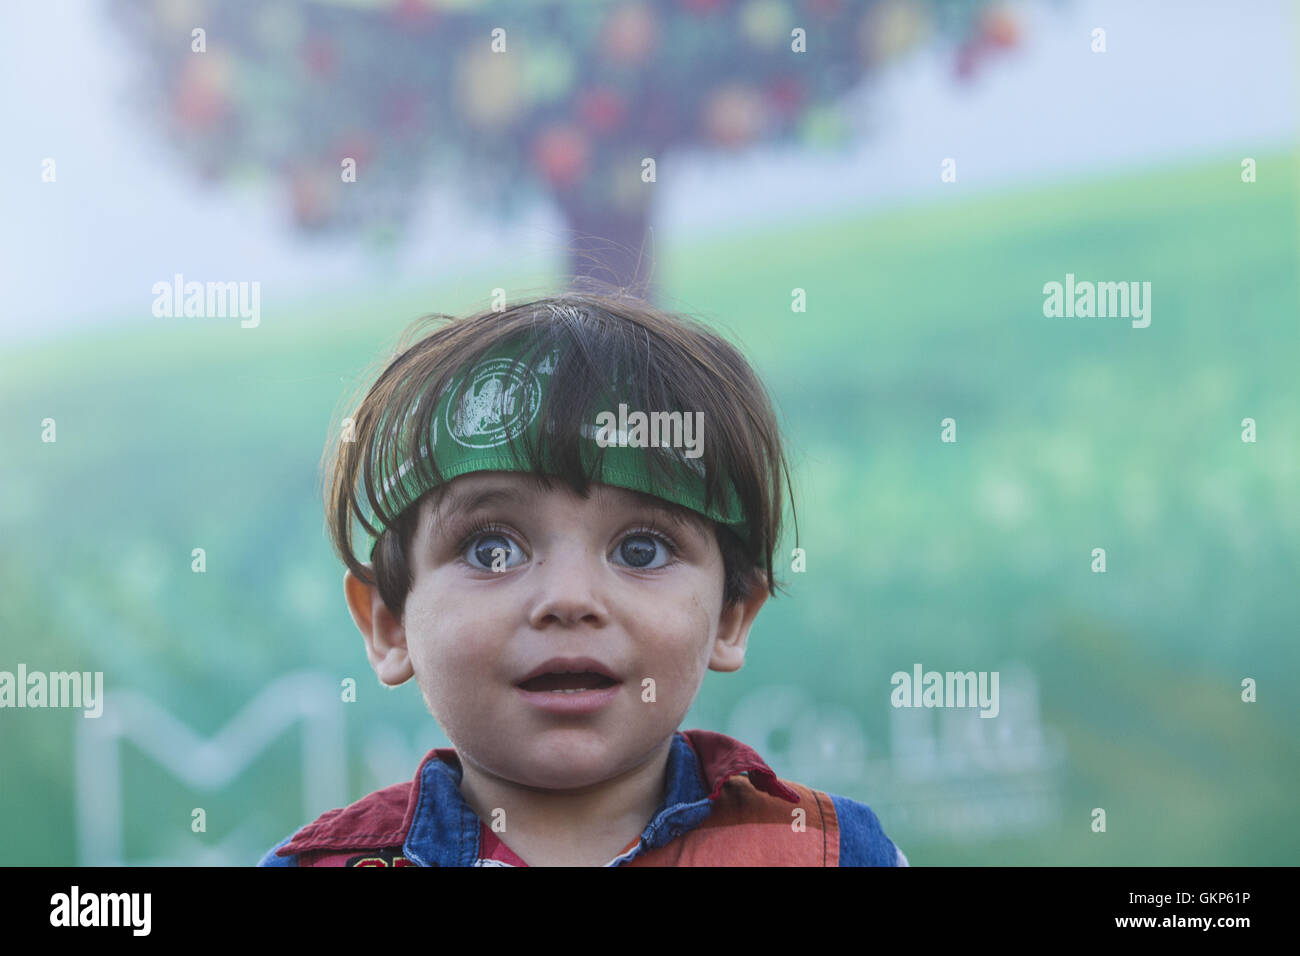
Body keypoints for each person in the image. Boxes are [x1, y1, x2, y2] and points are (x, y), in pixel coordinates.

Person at [258, 290, 907, 866]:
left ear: (733, 615)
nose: (569, 600)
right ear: (388, 622)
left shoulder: (830, 853)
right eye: (492, 551)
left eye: (643, 550)